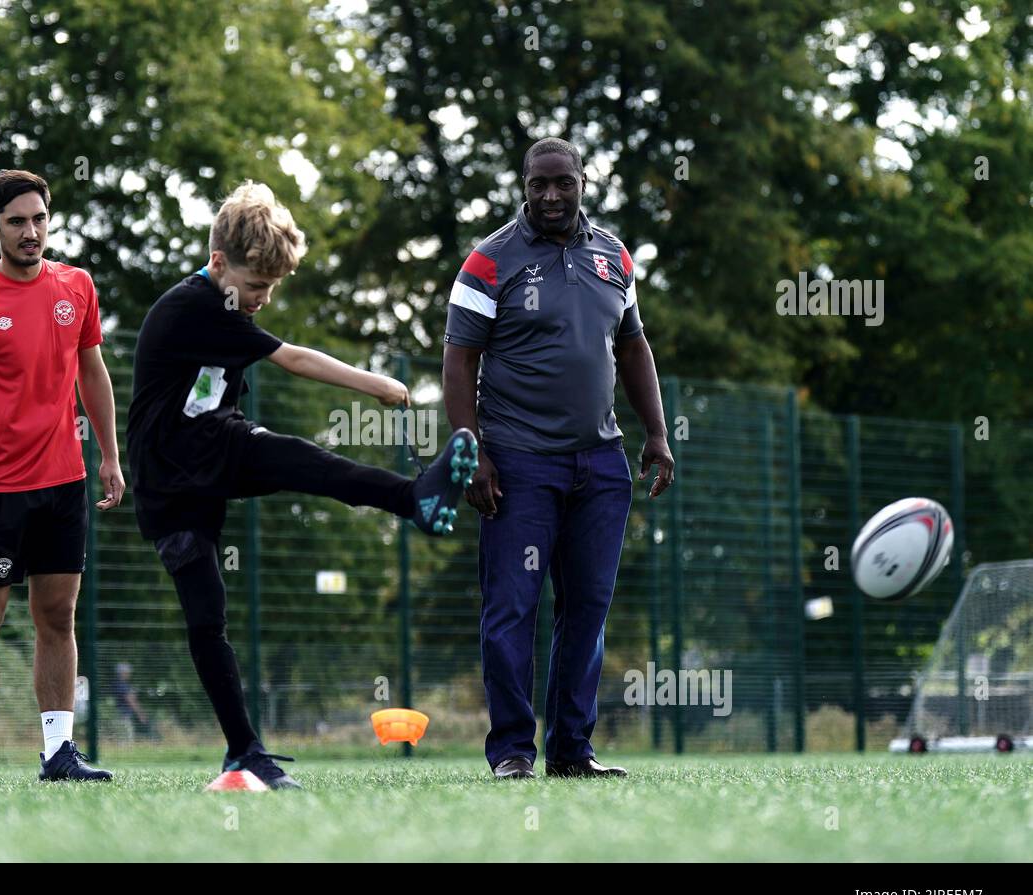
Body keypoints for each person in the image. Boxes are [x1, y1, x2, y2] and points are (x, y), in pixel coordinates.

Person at [128, 181, 477, 790]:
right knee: (207, 616)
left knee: (311, 463)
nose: (263, 298)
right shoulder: (194, 308)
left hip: (220, 444)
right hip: (171, 481)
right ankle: (243, 751)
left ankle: (416, 499)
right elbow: (296, 359)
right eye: (257, 285)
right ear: (218, 265)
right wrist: (380, 385)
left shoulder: (228, 304)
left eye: (272, 287)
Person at [443, 138, 675, 780]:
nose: (550, 195)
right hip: (517, 463)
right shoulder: (488, 262)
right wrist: (472, 449)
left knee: (589, 610)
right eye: (538, 184)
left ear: (581, 182)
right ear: (523, 184)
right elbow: (459, 361)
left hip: (601, 465)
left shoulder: (614, 256)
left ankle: (573, 751)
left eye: (562, 183)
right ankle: (513, 750)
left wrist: (656, 433)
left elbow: (632, 348)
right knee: (511, 608)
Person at [0, 169, 124, 784]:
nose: (31, 230)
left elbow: (93, 373)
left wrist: (111, 455)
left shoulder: (78, 286)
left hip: (64, 483)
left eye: (39, 218)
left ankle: (58, 752)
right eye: (17, 221)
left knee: (57, 617)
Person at [112, 662, 159, 740]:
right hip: (124, 715)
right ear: (122, 673)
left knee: (122, 737)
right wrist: (141, 714)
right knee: (126, 738)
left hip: (121, 714)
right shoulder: (123, 685)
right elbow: (131, 700)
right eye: (127, 672)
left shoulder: (117, 684)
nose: (129, 674)